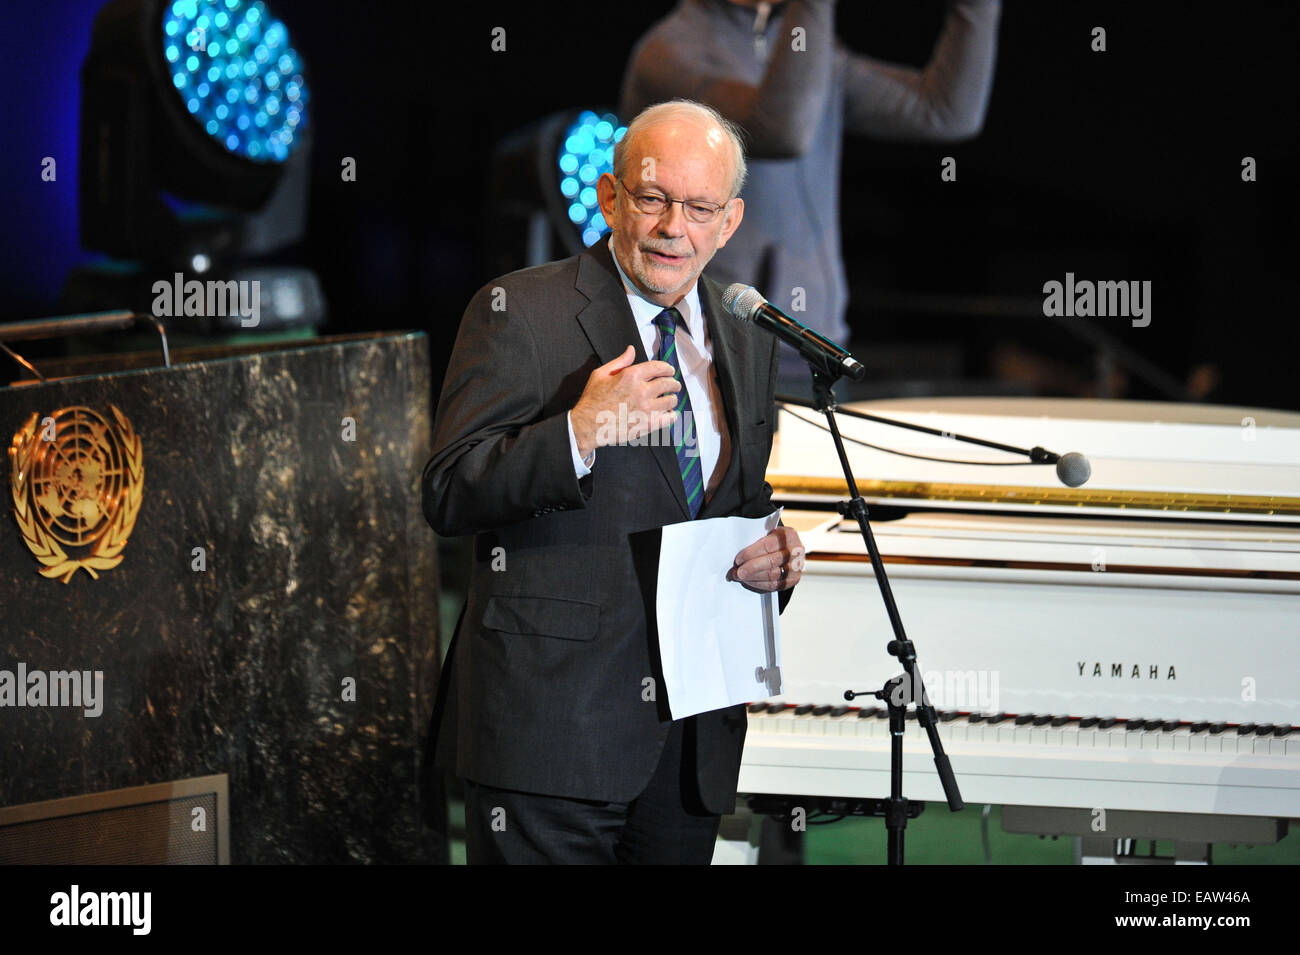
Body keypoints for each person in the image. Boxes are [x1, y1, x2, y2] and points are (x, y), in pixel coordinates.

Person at [423, 100, 805, 864]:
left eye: (698, 208)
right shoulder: (521, 312)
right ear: (609, 198)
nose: (674, 228)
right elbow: (451, 490)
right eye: (654, 198)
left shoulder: (745, 337)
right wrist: (580, 430)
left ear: (728, 222)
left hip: (687, 740)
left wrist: (773, 553)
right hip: (550, 733)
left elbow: (735, 504)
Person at [621, 0, 1001, 385]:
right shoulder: (669, 51)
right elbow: (781, 131)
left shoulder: (811, 46)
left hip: (816, 348)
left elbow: (946, 113)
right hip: (714, 350)